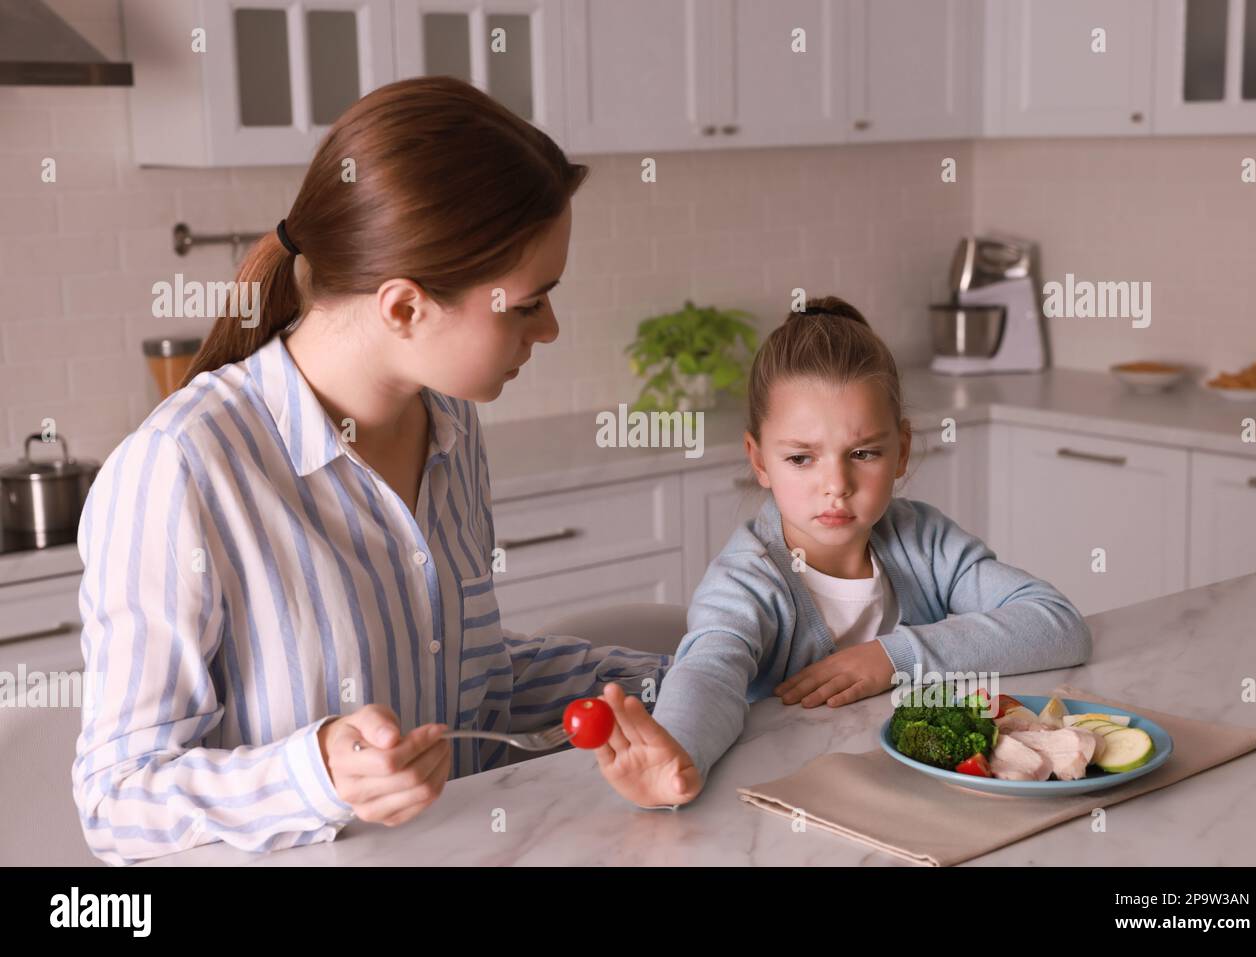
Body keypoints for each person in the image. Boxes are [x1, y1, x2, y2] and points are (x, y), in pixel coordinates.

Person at [71, 77, 670, 866]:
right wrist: (314, 775)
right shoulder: (181, 467)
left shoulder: (451, 425)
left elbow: (473, 683)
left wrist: (699, 667)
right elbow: (117, 800)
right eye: (528, 304)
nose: (549, 328)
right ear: (404, 308)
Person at [591, 295, 1093, 807]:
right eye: (801, 458)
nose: (837, 484)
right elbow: (709, 671)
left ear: (901, 451)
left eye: (863, 453)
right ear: (759, 459)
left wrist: (891, 658)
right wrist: (677, 752)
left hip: (926, 802)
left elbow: (1058, 626)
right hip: (792, 811)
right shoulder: (747, 580)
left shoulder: (927, 542)